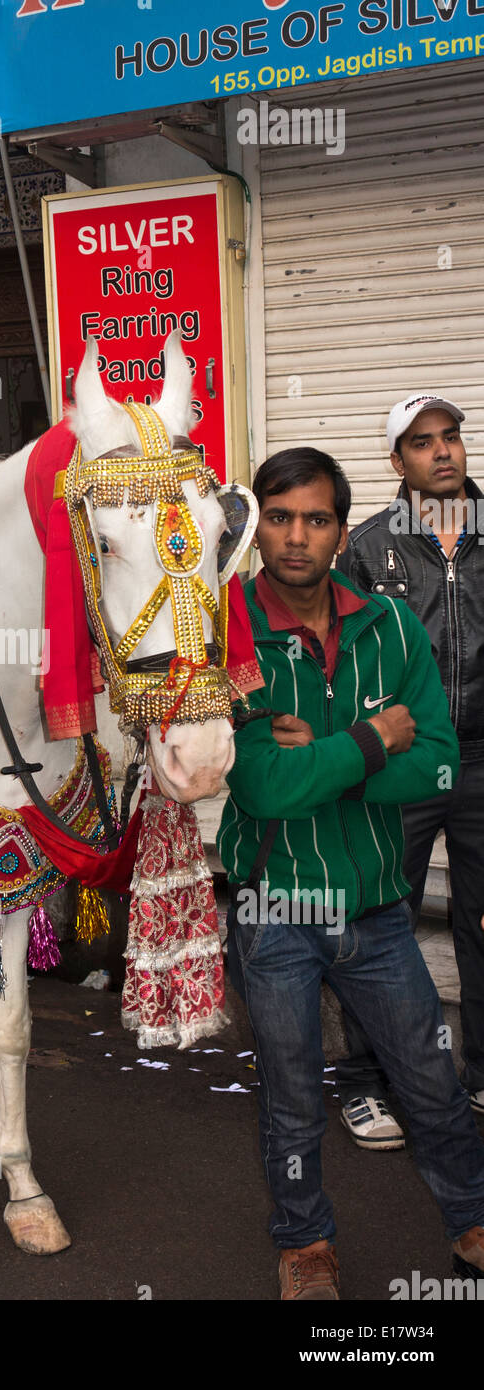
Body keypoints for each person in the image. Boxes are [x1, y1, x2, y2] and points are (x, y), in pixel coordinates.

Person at [217, 446, 484, 1300]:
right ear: (256, 524)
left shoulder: (392, 625)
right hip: (274, 906)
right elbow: (263, 786)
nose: (297, 537)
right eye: (280, 517)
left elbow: (440, 767)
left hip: (372, 905)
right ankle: (306, 1248)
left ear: (343, 529)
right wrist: (375, 740)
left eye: (317, 519)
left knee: (429, 1081)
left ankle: (472, 1222)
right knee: (291, 1098)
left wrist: (327, 755)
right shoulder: (226, 629)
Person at [337, 394, 484, 1135]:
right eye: (422, 443)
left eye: (450, 437)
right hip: (405, 760)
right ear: (397, 462)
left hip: (483, 763)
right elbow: (343, 661)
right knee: (378, 919)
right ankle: (367, 1081)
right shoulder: (366, 548)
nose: (443, 452)